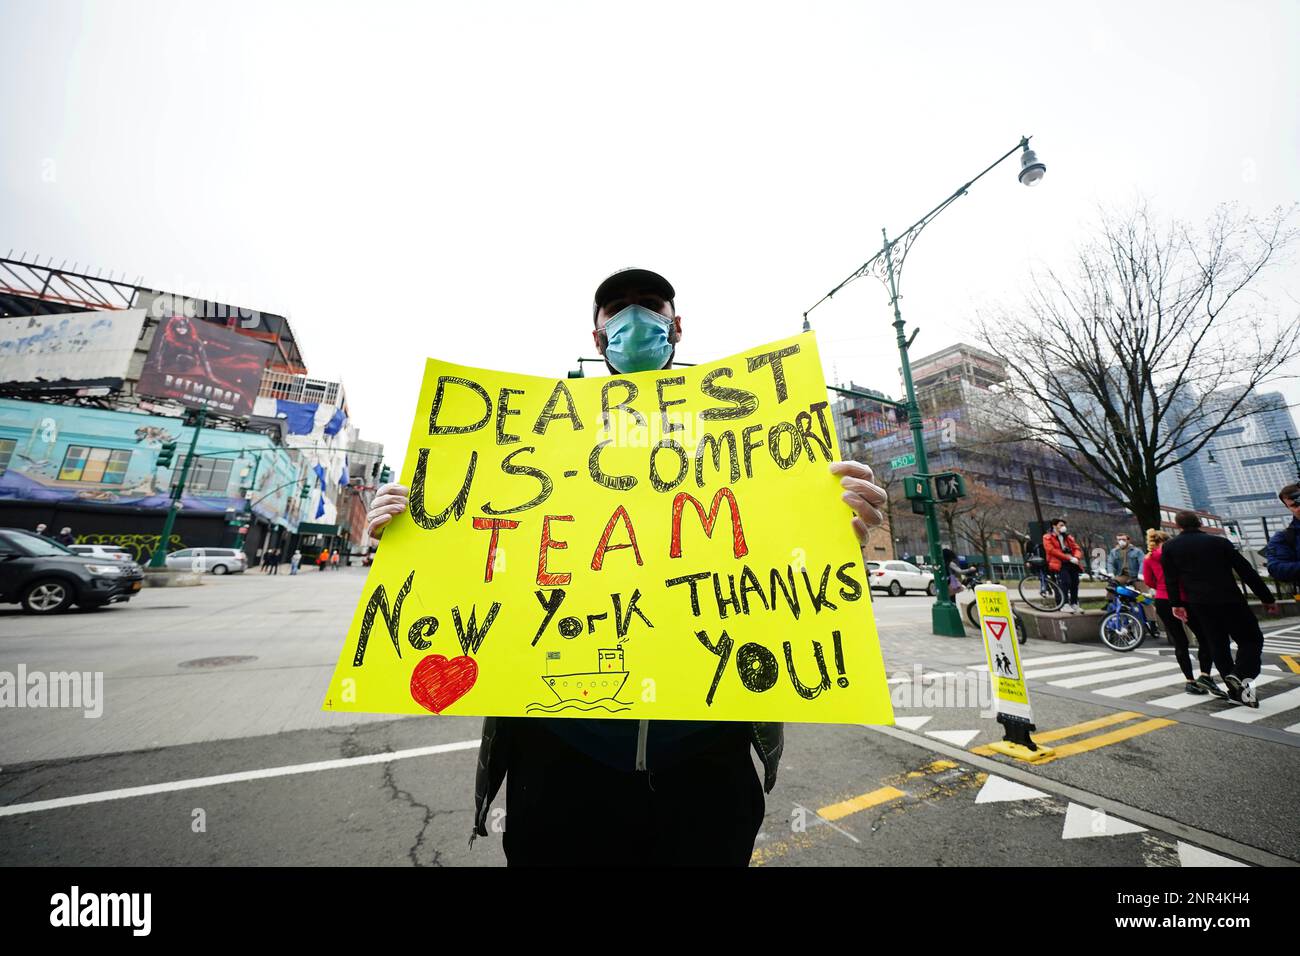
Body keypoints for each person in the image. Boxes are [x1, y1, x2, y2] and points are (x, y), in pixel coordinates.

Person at [363, 267, 887, 867]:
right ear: (597, 336)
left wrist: (832, 520)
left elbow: (782, 561)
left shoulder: (747, 430)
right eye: (618, 308)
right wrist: (413, 530)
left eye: (650, 304)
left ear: (677, 326)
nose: (634, 316)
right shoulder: (537, 432)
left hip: (705, 762)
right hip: (559, 763)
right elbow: (487, 559)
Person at [1162, 510, 1277, 708]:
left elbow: (1171, 579)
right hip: (1230, 599)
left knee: (1218, 645)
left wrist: (1176, 604)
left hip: (1199, 603)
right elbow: (1246, 571)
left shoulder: (1170, 547)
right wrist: (1266, 597)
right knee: (1251, 639)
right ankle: (1241, 674)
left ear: (1177, 526)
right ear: (1199, 523)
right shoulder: (1219, 543)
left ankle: (1236, 691)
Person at [1142, 529, 1221, 697]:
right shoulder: (1176, 553)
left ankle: (1190, 681)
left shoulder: (1148, 558)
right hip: (1185, 598)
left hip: (1163, 600)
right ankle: (1205, 675)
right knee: (1204, 636)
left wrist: (1162, 589)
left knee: (1180, 641)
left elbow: (1149, 581)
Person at [1043, 517, 1083, 613]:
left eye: (1064, 525)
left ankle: (1074, 603)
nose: (1063, 527)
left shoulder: (1068, 537)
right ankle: (1064, 603)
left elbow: (1076, 548)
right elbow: (1051, 550)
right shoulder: (1047, 537)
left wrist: (1076, 557)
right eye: (1061, 525)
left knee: (1075, 582)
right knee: (1065, 582)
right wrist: (1068, 557)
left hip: (1071, 562)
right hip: (1059, 563)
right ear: (1054, 526)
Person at [1264, 482, 1300, 584]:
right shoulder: (1284, 537)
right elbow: (1275, 568)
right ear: (1288, 508)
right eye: (1294, 505)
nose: (1299, 508)